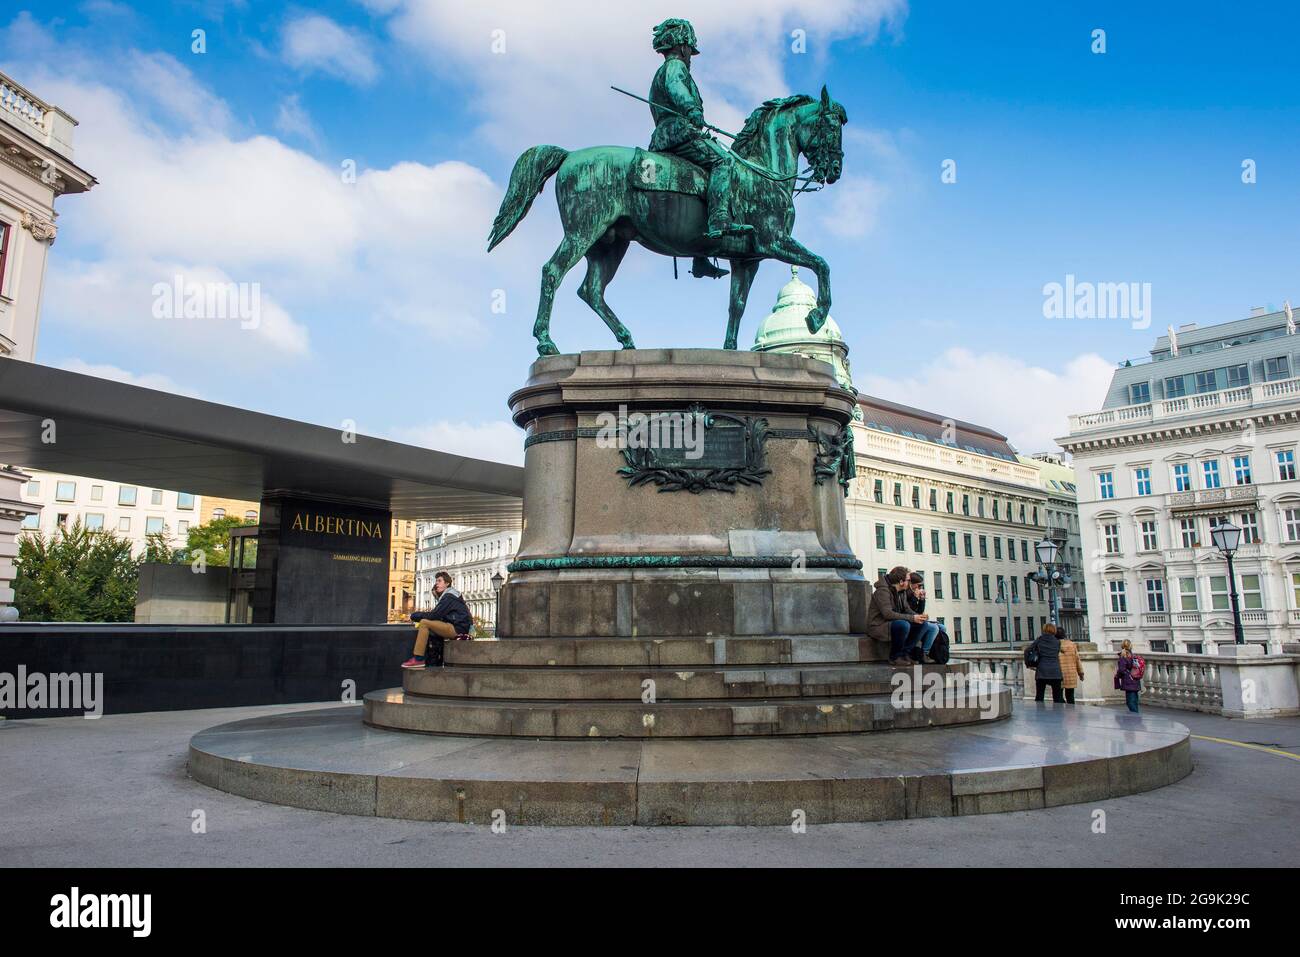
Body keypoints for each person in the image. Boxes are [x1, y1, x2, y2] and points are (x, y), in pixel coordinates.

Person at [647, 18, 752, 280]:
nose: (690, 56)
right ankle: (719, 221)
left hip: (671, 136)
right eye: (689, 50)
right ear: (682, 47)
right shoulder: (674, 68)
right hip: (677, 135)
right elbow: (677, 90)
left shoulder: (670, 67)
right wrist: (692, 110)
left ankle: (700, 258)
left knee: (700, 184)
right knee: (723, 163)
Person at [401, 571, 472, 670]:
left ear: (447, 583)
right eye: (436, 581)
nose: (436, 583)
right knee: (428, 624)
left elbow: (435, 615)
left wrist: (414, 615)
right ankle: (430, 662)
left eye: (439, 581)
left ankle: (418, 658)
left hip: (457, 629)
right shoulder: (450, 595)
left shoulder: (449, 597)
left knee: (424, 623)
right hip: (457, 626)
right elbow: (437, 615)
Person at [867, 566, 928, 666]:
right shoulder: (882, 591)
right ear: (901, 582)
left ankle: (904, 654)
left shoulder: (901, 592)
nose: (909, 583)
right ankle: (894, 657)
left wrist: (919, 617)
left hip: (892, 623)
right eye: (908, 580)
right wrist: (912, 618)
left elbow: (907, 609)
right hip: (878, 626)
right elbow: (888, 614)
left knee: (923, 624)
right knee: (903, 625)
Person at [902, 572, 942, 663]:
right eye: (919, 585)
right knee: (934, 628)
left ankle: (935, 653)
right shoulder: (907, 593)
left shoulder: (913, 592)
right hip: (910, 620)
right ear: (912, 584)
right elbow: (908, 610)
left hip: (916, 619)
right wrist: (915, 598)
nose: (920, 588)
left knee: (941, 627)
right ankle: (924, 653)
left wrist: (922, 600)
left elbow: (919, 611)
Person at [1028, 623, 1064, 702]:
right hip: (1055, 671)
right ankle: (1058, 713)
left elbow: (1027, 650)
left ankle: (1040, 713)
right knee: (1057, 697)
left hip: (1042, 670)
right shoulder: (1057, 642)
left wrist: (1029, 664)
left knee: (1039, 696)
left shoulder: (1039, 640)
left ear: (1044, 630)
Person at [1058, 626, 1085, 703]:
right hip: (1071, 673)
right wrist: (1081, 673)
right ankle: (1071, 712)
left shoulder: (1054, 645)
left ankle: (1060, 712)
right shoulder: (1072, 645)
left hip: (1059, 673)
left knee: (1058, 695)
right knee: (1070, 696)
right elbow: (1077, 660)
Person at [1116, 638, 1142, 713]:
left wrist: (1118, 675)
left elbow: (1121, 669)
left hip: (1128, 681)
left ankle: (1135, 717)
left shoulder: (1124, 656)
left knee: (1130, 701)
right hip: (1136, 679)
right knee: (1135, 700)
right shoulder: (1133, 655)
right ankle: (1136, 715)